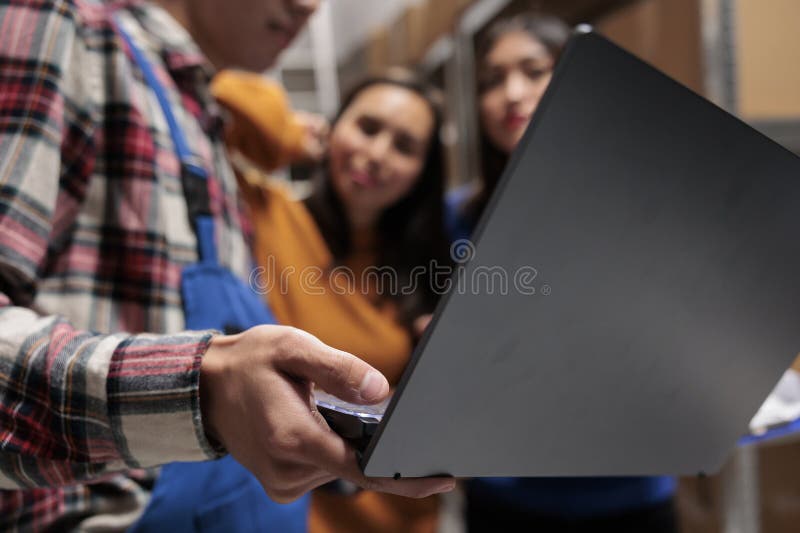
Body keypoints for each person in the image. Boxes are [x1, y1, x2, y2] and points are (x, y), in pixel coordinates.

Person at [0, 0, 454, 530]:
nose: (311, 7)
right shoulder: (71, 27)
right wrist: (205, 391)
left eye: (405, 146)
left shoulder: (199, 132)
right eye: (367, 127)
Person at [448, 14, 678, 532]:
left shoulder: (645, 210)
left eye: (534, 71)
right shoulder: (459, 217)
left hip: (630, 493)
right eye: (491, 80)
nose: (512, 93)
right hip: (504, 498)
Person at [213, 68, 451, 533]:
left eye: (404, 146)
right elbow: (213, 99)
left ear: (422, 173)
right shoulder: (270, 214)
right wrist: (286, 137)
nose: (378, 154)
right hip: (294, 515)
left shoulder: (426, 263)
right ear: (332, 126)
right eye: (366, 128)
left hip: (404, 514)